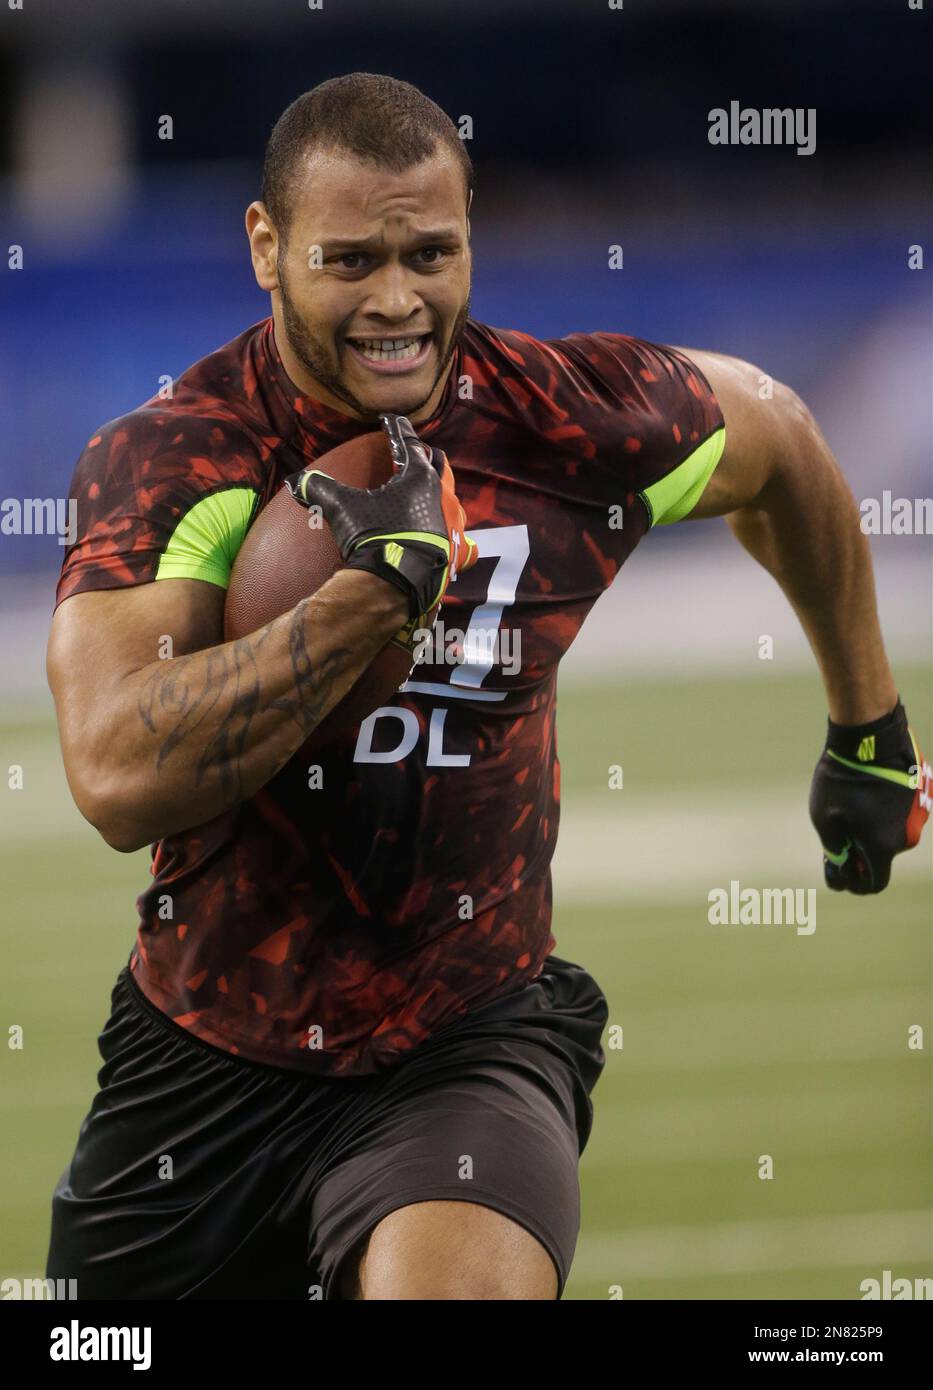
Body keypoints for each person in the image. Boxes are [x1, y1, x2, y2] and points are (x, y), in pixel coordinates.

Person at [45, 73, 930, 1301]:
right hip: (205, 1056)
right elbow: (115, 773)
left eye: (431, 252)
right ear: (266, 246)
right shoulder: (182, 454)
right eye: (349, 259)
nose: (396, 299)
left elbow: (781, 441)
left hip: (468, 1036)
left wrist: (868, 727)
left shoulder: (564, 426)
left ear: (474, 240)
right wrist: (366, 597)